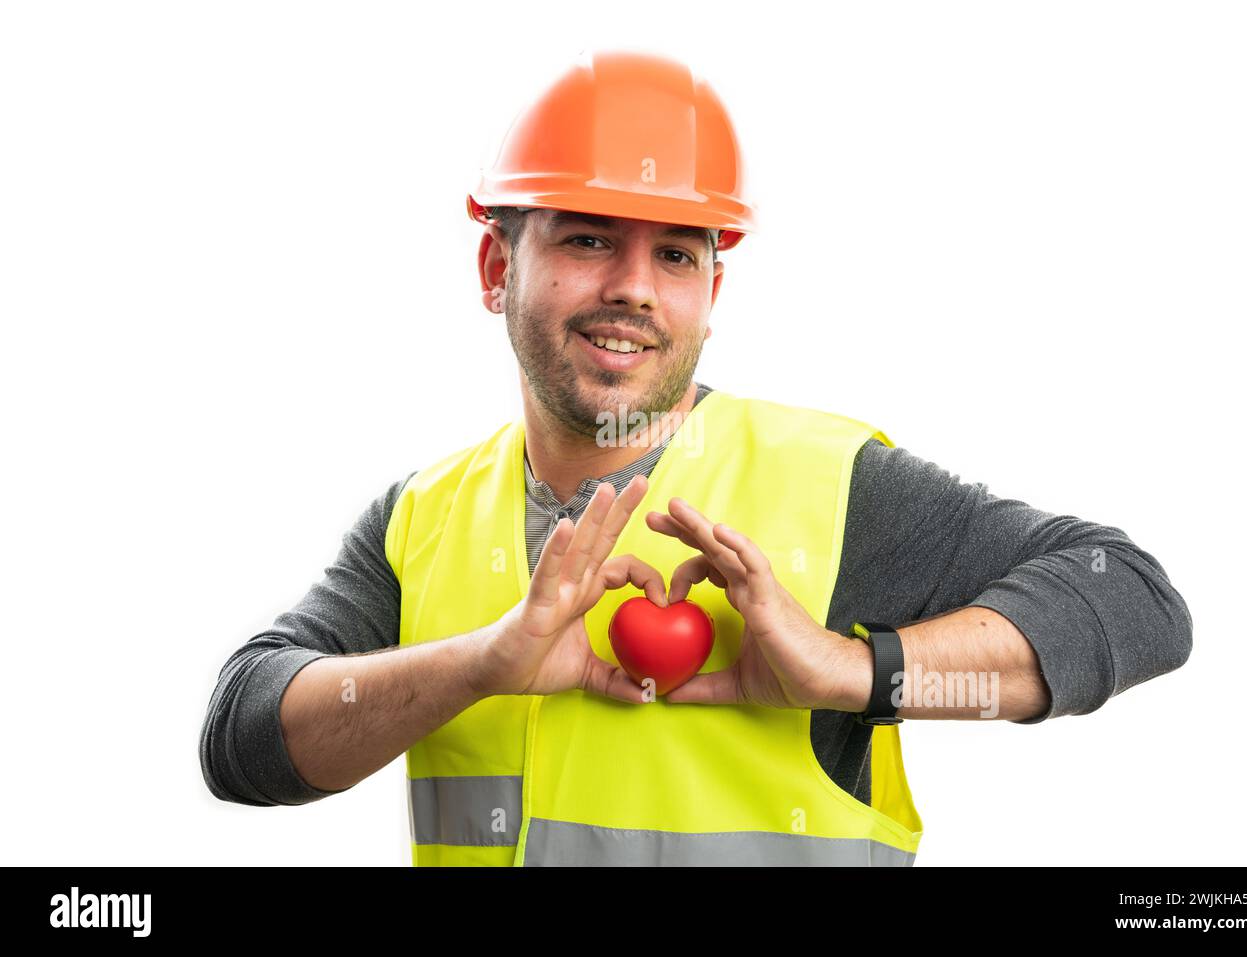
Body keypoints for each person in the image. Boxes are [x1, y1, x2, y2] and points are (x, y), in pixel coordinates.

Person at [200, 49, 1193, 866]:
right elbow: (241, 742)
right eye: (590, 239)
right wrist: (480, 664)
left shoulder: (831, 486)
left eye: (676, 253)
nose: (634, 287)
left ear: (711, 295)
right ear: (499, 268)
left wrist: (858, 672)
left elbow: (1135, 603)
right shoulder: (421, 519)